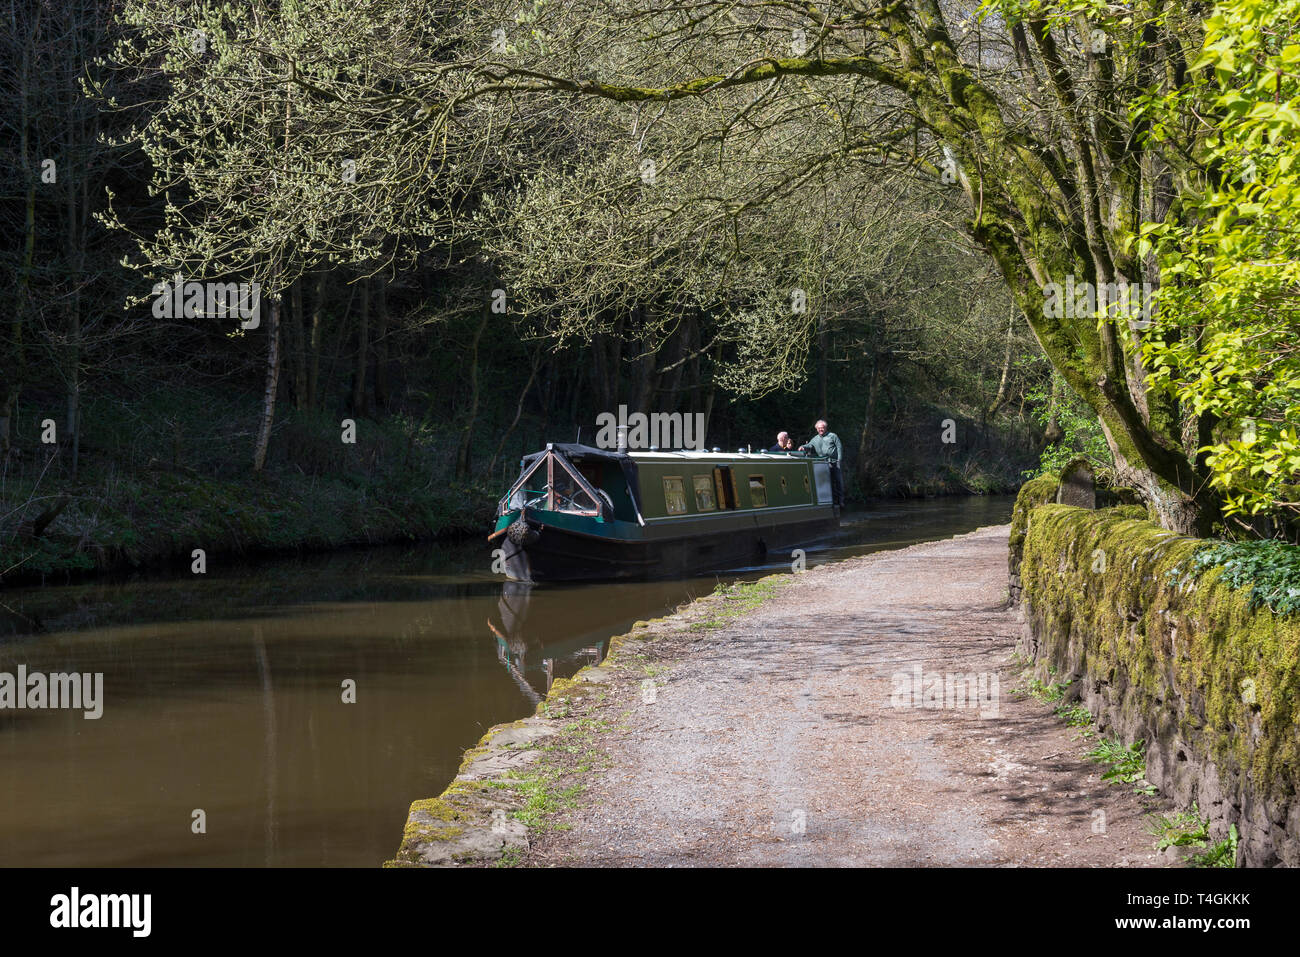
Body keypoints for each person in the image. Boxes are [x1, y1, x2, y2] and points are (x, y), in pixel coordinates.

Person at [799, 419, 844, 508]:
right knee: (828, 483)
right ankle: (832, 501)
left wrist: (839, 460)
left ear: (825, 428)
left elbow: (839, 447)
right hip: (823, 463)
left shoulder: (833, 436)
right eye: (819, 428)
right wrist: (803, 447)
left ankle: (841, 501)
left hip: (834, 462)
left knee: (838, 481)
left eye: (822, 428)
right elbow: (810, 445)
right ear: (816, 429)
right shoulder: (815, 439)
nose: (821, 429)